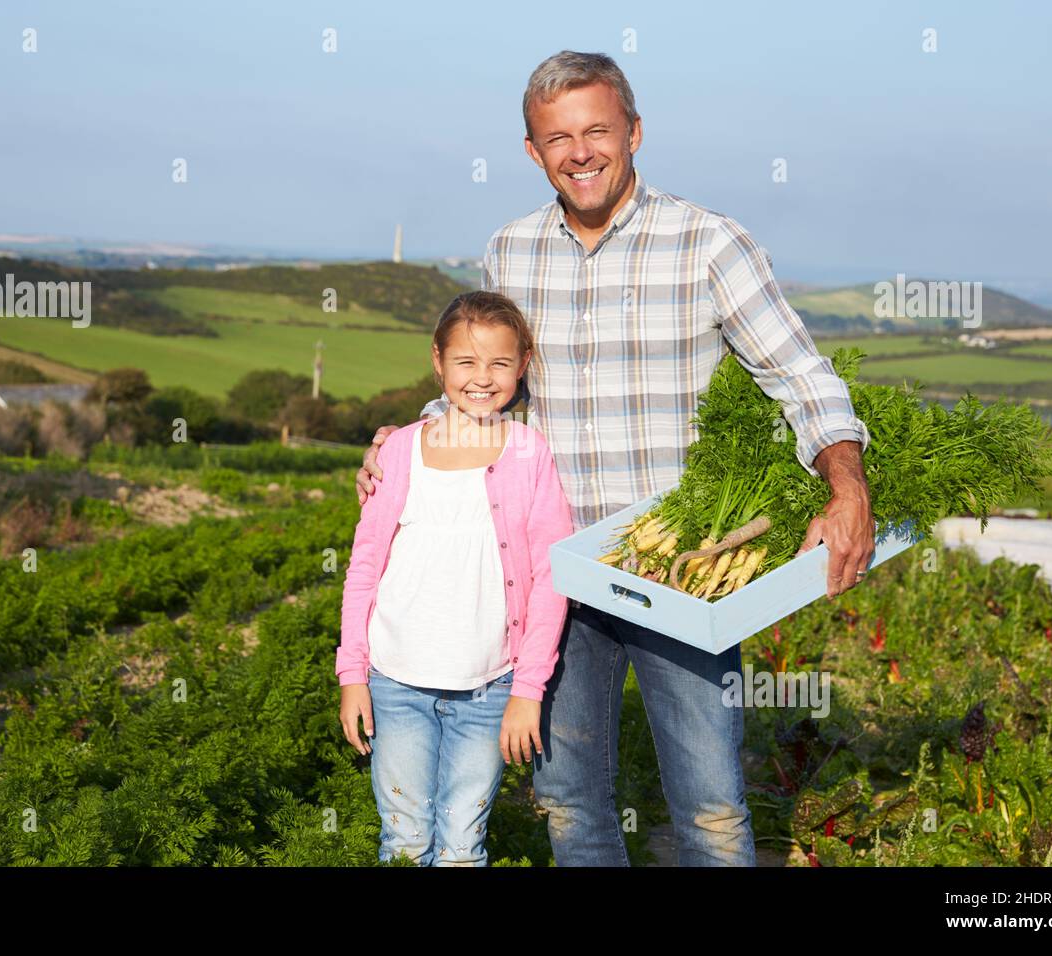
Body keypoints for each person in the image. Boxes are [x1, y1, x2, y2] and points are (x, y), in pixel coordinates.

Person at [354, 51, 877, 867]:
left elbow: (800, 375)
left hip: (683, 564)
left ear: (634, 132)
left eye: (597, 129)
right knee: (567, 799)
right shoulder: (512, 252)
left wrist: (847, 485)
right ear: (532, 151)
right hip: (555, 573)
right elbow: (490, 385)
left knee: (707, 806)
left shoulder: (709, 242)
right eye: (557, 137)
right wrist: (406, 445)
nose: (580, 151)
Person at [337, 290, 574, 866]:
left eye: (499, 363)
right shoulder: (396, 451)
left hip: (489, 687)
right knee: (405, 838)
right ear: (437, 361)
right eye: (466, 362)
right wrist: (353, 674)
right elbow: (364, 567)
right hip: (395, 683)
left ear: (523, 366)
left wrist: (527, 692)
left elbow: (550, 579)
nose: (483, 378)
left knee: (463, 844)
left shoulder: (528, 453)